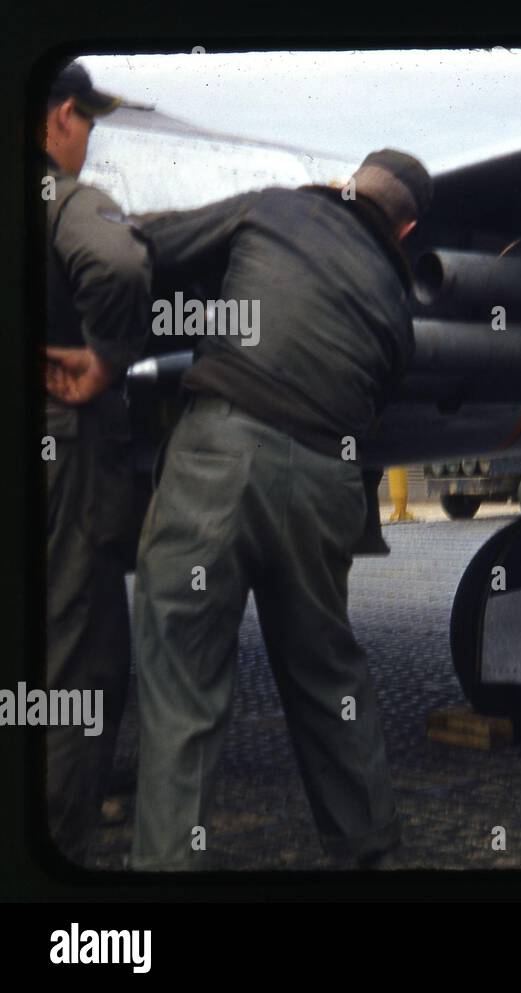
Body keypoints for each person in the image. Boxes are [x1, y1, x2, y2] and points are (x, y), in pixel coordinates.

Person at [128, 149, 434, 869]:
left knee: (184, 677)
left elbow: (144, 250)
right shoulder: (398, 310)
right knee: (328, 675)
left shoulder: (273, 207)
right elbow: (375, 392)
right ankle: (371, 853)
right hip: (327, 483)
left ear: (348, 182)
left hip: (221, 458)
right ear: (408, 227)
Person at [42, 60, 152, 864]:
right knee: (77, 650)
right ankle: (54, 846)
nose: (85, 142)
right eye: (87, 123)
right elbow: (116, 264)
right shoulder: (58, 195)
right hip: (62, 449)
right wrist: (108, 360)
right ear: (60, 119)